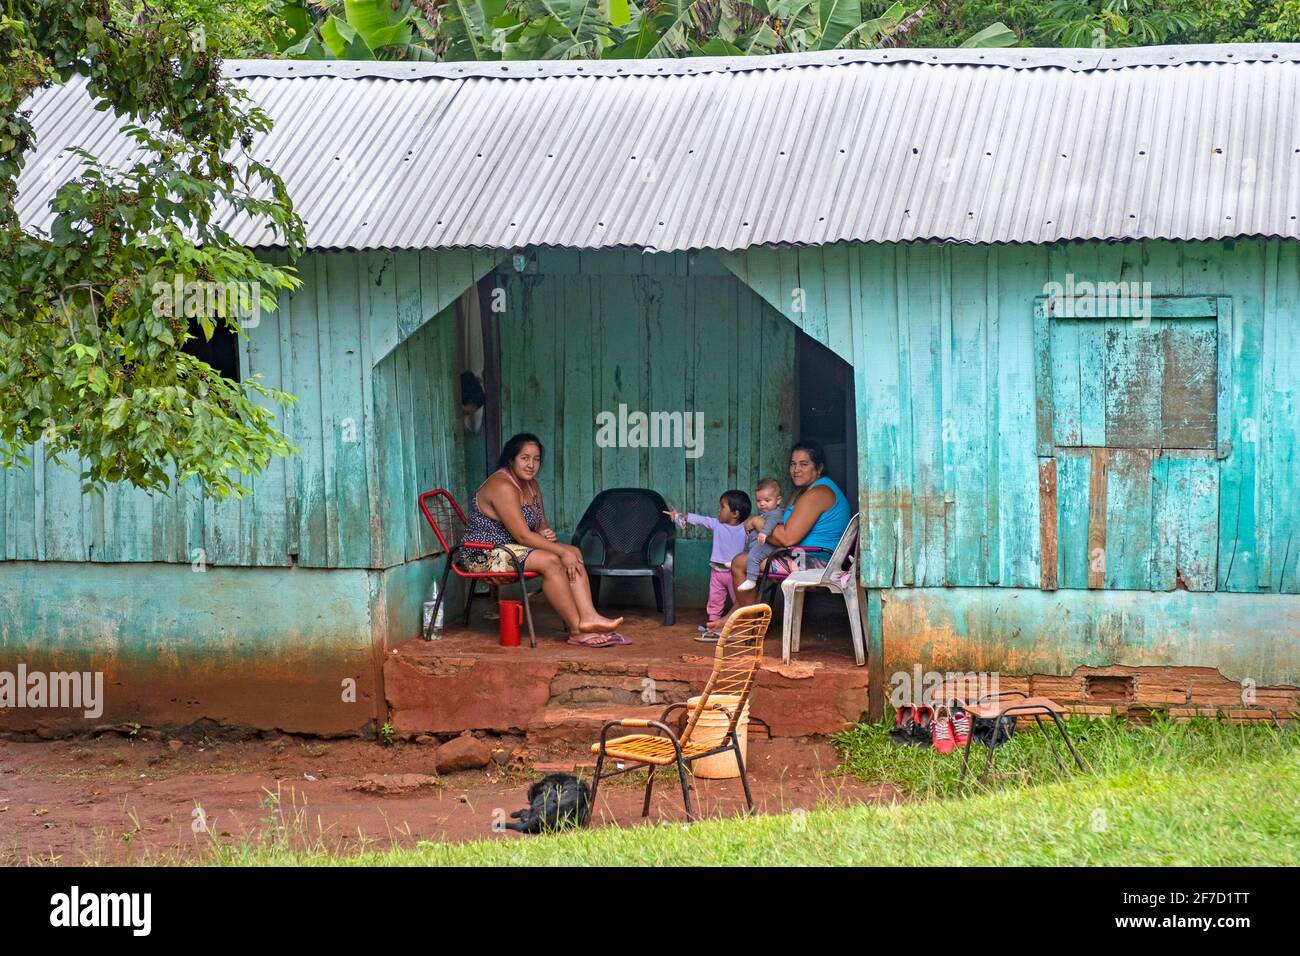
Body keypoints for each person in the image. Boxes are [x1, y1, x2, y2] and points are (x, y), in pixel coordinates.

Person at [461, 433, 627, 647]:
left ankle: (589, 617)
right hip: (484, 552)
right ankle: (576, 630)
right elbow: (522, 534)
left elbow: (540, 525)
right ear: (511, 459)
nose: (531, 465)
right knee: (552, 560)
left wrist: (546, 534)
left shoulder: (531, 486)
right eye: (525, 458)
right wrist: (558, 550)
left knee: (574, 552)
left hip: (513, 547)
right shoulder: (503, 486)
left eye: (536, 459)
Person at [730, 441, 851, 605]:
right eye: (793, 464)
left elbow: (787, 538)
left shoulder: (818, 493)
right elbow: (779, 525)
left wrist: (758, 522)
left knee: (740, 562)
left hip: (816, 562)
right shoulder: (801, 493)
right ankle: (737, 617)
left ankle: (751, 625)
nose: (796, 470)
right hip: (799, 555)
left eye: (803, 464)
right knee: (754, 556)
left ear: (819, 468)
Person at [665, 490, 751, 639]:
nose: (718, 510)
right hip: (716, 572)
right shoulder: (717, 524)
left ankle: (739, 624)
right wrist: (679, 516)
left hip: (735, 574)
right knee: (714, 599)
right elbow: (698, 519)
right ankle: (713, 623)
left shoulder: (746, 529)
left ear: (735, 513)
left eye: (722, 507)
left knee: (740, 600)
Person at [737, 477, 784, 592]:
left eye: (767, 500)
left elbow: (771, 524)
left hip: (769, 545)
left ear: (778, 500)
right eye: (759, 501)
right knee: (748, 548)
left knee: (754, 557)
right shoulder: (765, 513)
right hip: (761, 542)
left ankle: (751, 580)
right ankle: (736, 561)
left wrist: (763, 533)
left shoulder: (776, 513)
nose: (762, 504)